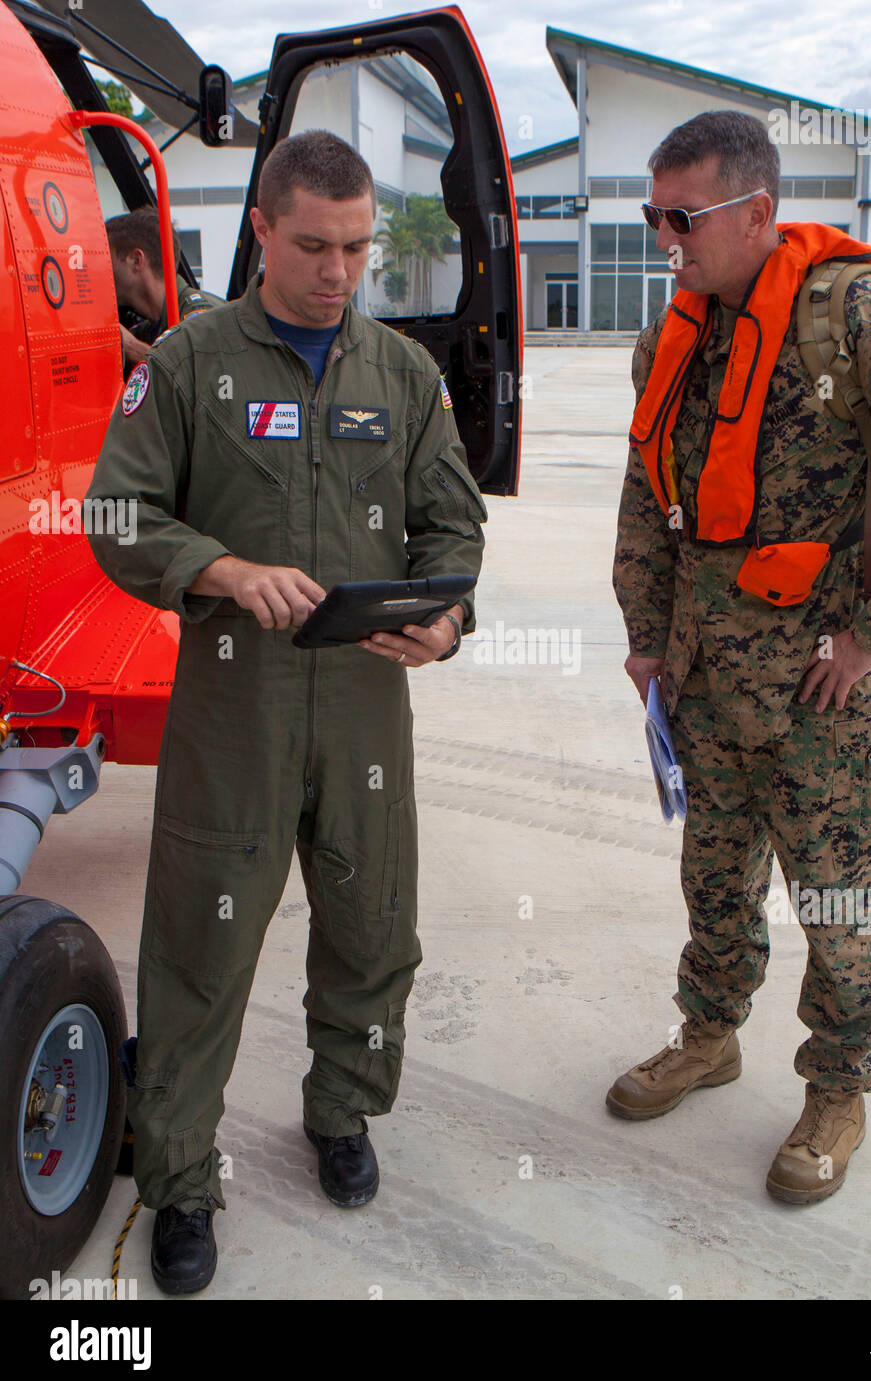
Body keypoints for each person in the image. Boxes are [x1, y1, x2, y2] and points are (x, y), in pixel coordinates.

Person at [86, 129, 486, 1293]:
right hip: (235, 711)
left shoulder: (402, 376)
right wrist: (218, 570)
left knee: (370, 934)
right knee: (202, 948)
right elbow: (115, 517)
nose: (337, 269)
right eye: (313, 244)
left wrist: (448, 619)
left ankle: (343, 1112)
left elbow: (452, 531)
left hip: (366, 707)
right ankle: (178, 1178)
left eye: (358, 246)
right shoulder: (187, 363)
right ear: (260, 228)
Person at [608, 111, 871, 1204]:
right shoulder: (675, 336)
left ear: (754, 212)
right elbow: (648, 503)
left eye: (681, 218)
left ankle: (837, 1083)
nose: (663, 241)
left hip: (822, 703)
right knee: (712, 880)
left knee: (833, 898)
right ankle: (708, 1034)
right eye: (653, 217)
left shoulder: (859, 324)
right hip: (702, 683)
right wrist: (645, 635)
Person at [106, 207, 224, 370]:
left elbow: (205, 383)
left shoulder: (201, 318)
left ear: (136, 260)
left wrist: (133, 348)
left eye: (107, 258)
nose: (102, 269)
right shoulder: (148, 330)